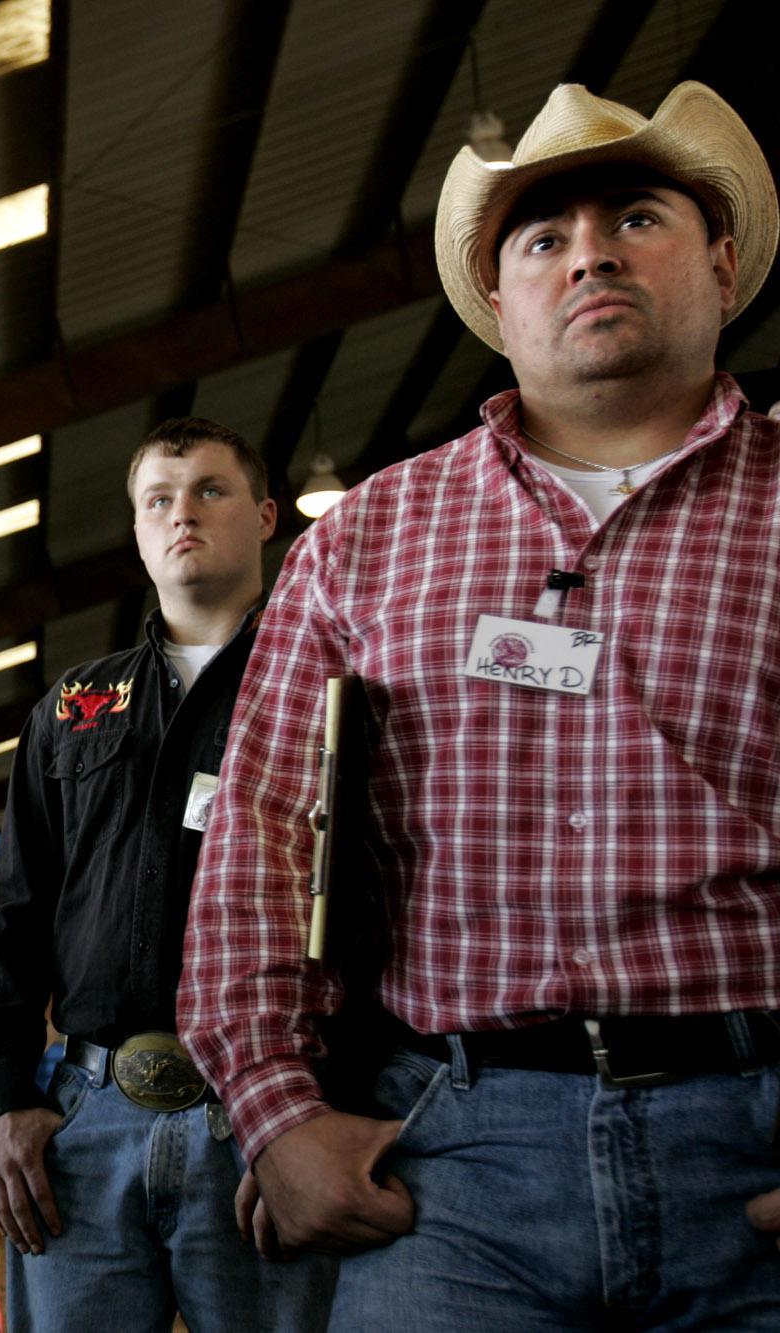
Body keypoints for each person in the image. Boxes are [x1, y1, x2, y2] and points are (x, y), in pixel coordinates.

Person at [177, 80, 780, 1329]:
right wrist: (274, 1111)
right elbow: (263, 829)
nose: (589, 255)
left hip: (757, 1129)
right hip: (452, 1149)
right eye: (541, 239)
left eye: (635, 218)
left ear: (721, 264)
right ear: (497, 303)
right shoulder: (371, 535)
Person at [0, 417, 333, 1330]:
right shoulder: (76, 705)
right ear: (135, 532)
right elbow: (17, 913)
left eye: (212, 490)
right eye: (157, 500)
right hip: (88, 1119)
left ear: (268, 516)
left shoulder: (327, 685)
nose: (183, 515)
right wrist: (7, 1097)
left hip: (266, 1113)